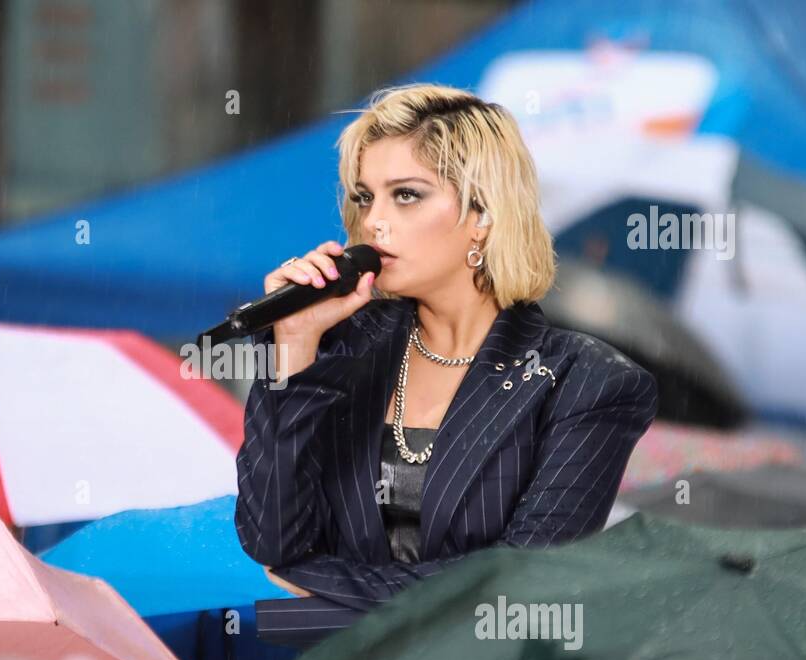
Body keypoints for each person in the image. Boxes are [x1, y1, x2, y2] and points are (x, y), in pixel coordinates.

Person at [234, 83, 658, 611]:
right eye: (365, 197)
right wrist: (296, 345)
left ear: (484, 215)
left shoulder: (586, 380)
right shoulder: (336, 348)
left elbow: (522, 579)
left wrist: (325, 583)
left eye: (406, 195)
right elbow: (273, 540)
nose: (374, 221)